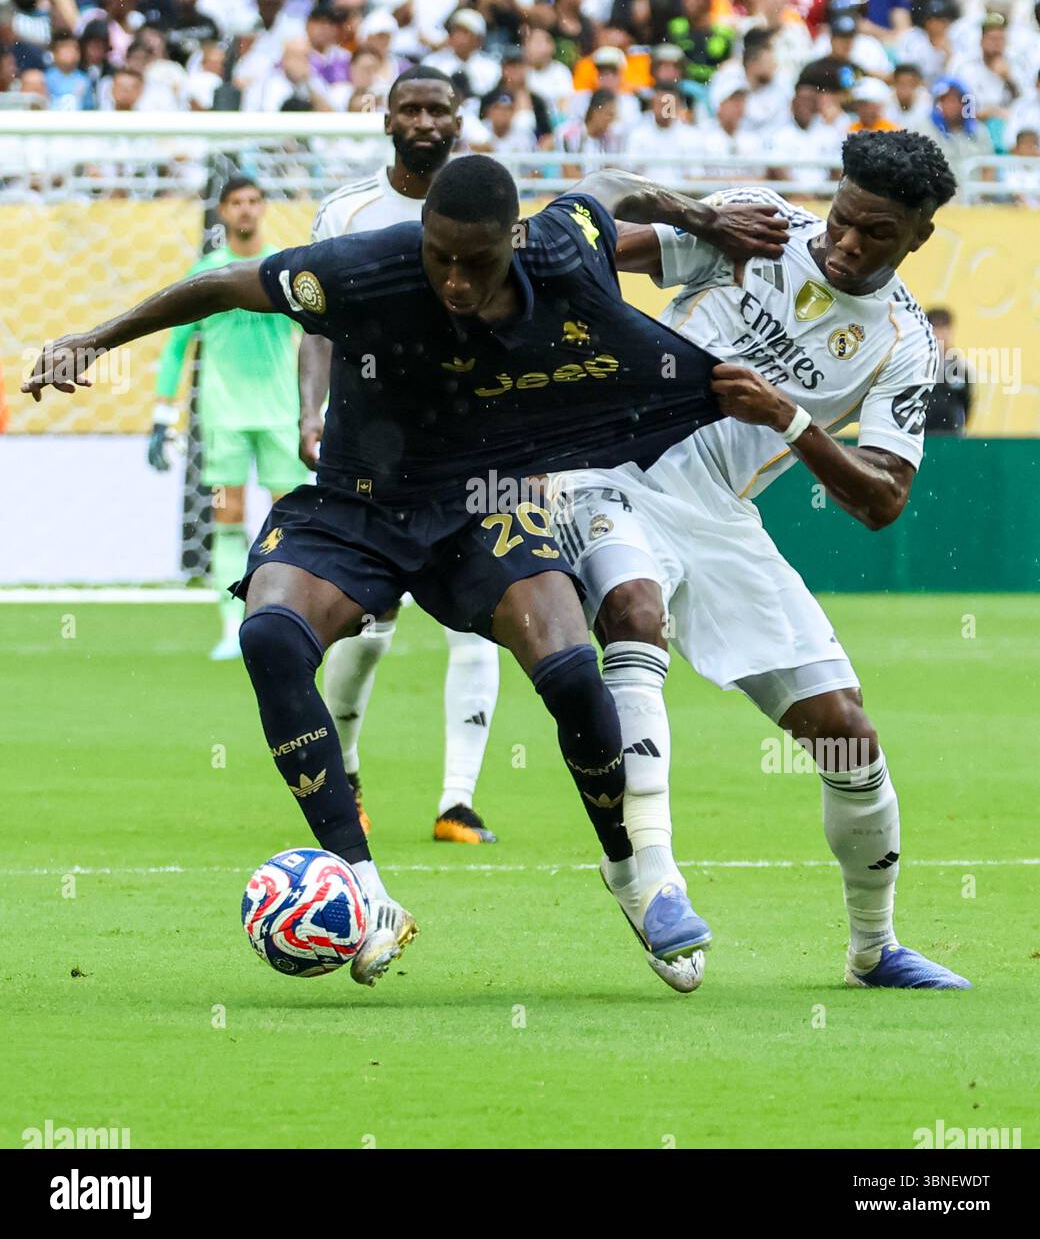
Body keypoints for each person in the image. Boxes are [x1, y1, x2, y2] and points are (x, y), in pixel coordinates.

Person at [23, 156, 786, 988]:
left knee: (571, 670)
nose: (454, 280)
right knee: (272, 637)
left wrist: (704, 219)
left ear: (516, 239)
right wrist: (90, 340)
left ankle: (633, 873)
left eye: (475, 261)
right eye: (439, 256)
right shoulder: (365, 266)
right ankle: (363, 884)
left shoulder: (563, 246)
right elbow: (222, 284)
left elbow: (610, 182)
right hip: (358, 503)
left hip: (482, 504)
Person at [548, 131, 973, 994]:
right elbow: (584, 248)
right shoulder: (759, 228)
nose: (850, 243)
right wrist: (690, 216)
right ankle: (653, 875)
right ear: (834, 195)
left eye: (878, 235)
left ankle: (873, 951)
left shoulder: (903, 344)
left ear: (920, 237)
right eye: (845, 219)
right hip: (608, 462)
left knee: (847, 733)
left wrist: (790, 421)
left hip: (718, 511)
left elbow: (883, 499)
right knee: (634, 609)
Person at [298, 66, 504, 845]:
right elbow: (313, 321)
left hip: (474, 441)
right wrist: (308, 411)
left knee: (480, 616)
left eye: (437, 109)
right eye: (409, 108)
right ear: (386, 118)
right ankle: (345, 771)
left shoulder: (493, 206)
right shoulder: (347, 211)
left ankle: (458, 801)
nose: (423, 120)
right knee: (368, 615)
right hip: (370, 443)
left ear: (459, 120)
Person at [148, 176, 309, 660]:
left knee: (292, 518)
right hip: (225, 418)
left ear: (263, 209)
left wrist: (320, 410)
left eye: (253, 201)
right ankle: (231, 626)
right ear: (222, 212)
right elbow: (176, 345)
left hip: (283, 415)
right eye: (236, 203)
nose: (245, 210)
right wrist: (162, 413)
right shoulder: (207, 273)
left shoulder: (283, 268)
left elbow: (319, 339)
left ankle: (292, 616)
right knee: (229, 516)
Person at [924, 307, 973, 435]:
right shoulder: (918, 367)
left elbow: (966, 403)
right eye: (936, 328)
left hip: (951, 437)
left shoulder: (960, 369)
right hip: (922, 437)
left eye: (945, 328)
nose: (941, 334)